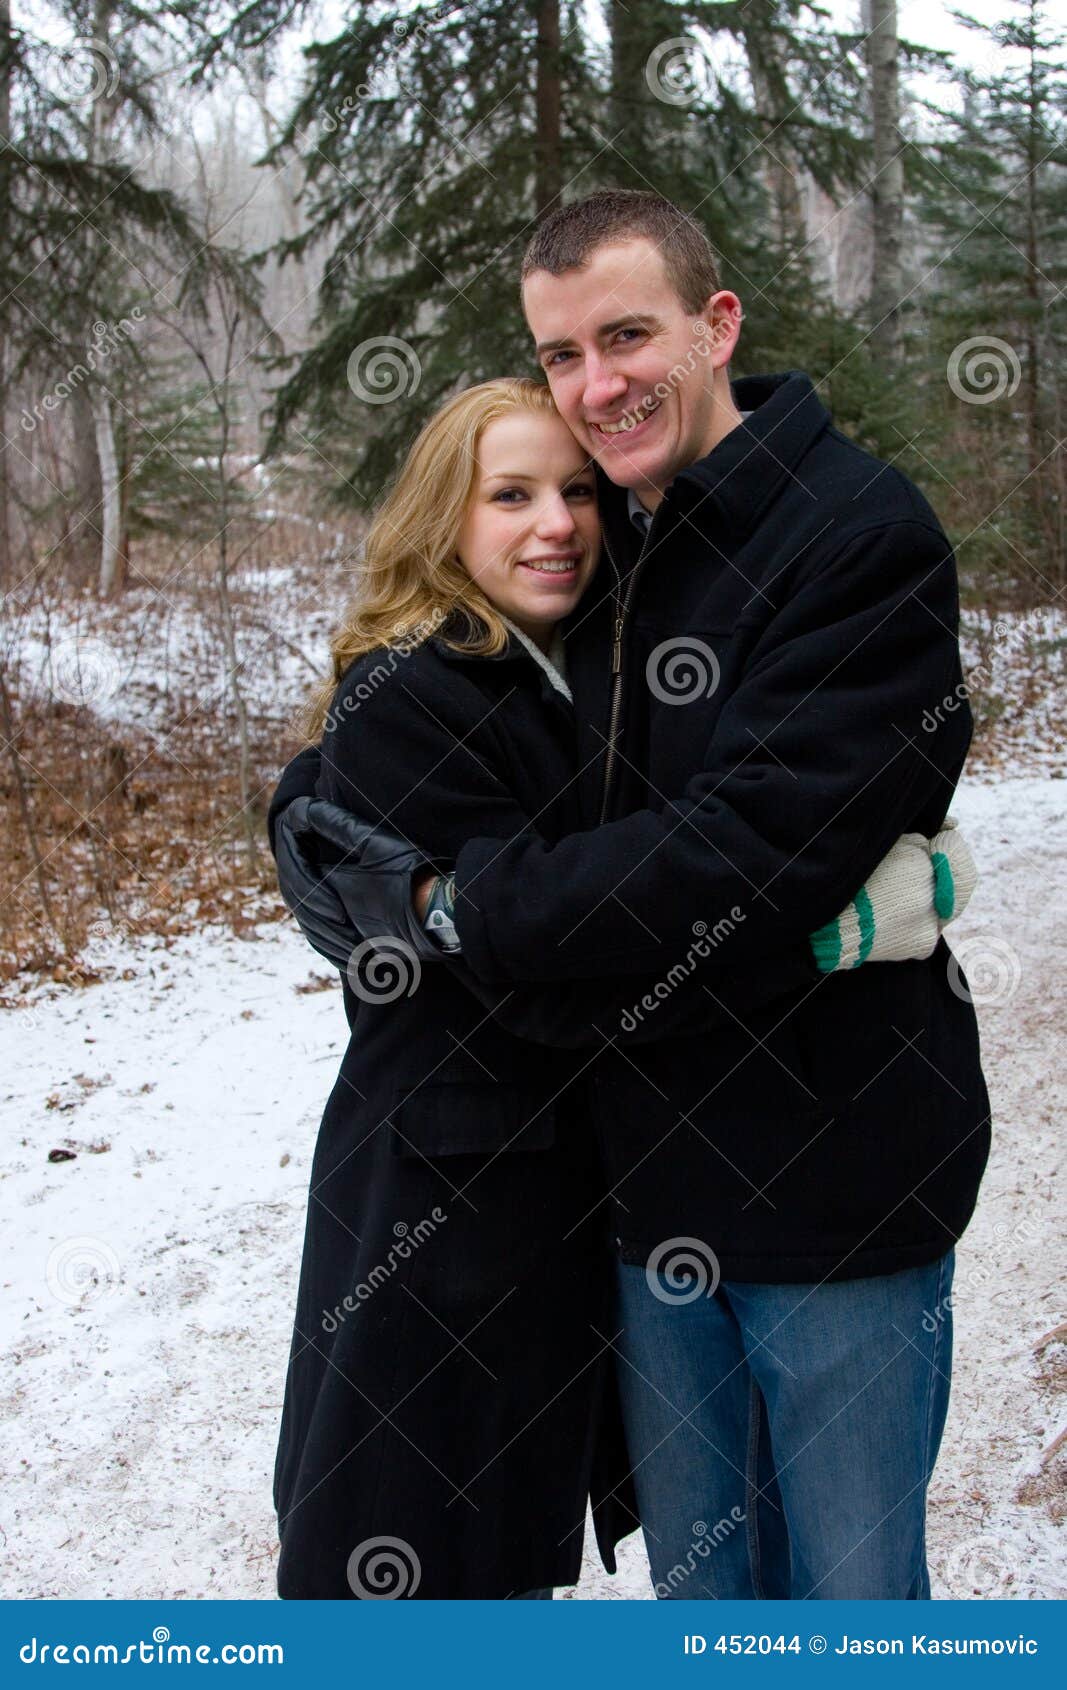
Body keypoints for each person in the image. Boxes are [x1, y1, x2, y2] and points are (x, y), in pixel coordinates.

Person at [272, 188, 989, 1603]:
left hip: (829, 1194)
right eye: (561, 355)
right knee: (701, 1604)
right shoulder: (623, 551)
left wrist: (456, 903)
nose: (596, 387)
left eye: (627, 335)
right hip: (648, 1203)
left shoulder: (855, 532)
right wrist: (314, 821)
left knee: (848, 1599)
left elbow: (742, 852)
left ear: (717, 326)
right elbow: (458, 732)